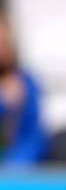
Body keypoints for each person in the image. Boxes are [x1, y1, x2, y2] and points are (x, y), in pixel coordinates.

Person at [0, 13, 49, 167]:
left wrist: (12, 167)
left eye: (4, 43)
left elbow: (34, 138)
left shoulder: (27, 84)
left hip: (16, 175)